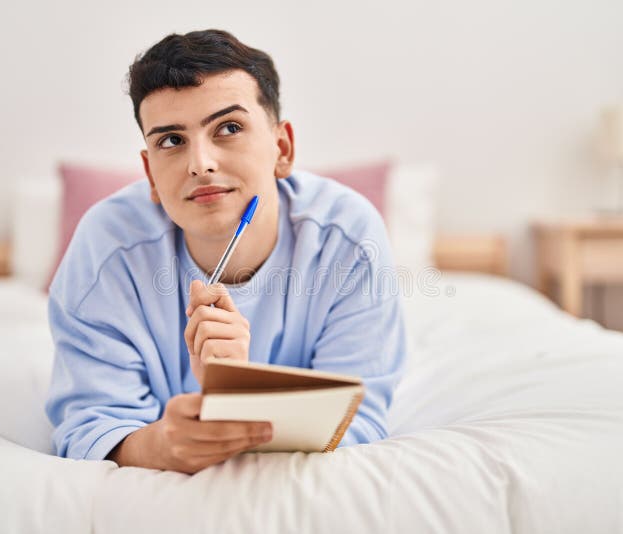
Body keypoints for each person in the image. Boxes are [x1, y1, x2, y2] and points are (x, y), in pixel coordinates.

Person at [45, 29, 407, 475]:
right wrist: (160, 446)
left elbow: (359, 421)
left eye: (229, 128)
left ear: (283, 148)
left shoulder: (349, 237)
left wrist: (241, 397)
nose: (201, 163)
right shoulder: (104, 246)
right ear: (150, 175)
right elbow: (91, 426)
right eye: (171, 141)